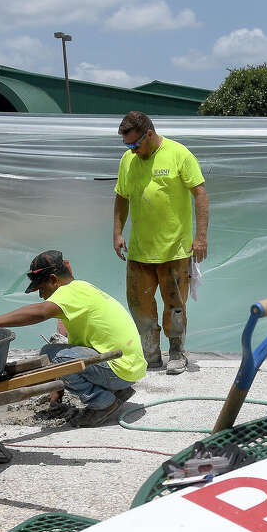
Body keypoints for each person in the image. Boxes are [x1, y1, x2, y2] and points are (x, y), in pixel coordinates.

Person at [0, 250, 146, 427]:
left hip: (120, 370)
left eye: (41, 288)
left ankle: (103, 403)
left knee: (50, 354)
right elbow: (73, 354)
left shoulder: (69, 293)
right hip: (129, 367)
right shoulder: (83, 289)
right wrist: (56, 398)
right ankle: (116, 391)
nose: (41, 296)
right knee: (58, 352)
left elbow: (40, 312)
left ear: (53, 280)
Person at [112, 111, 208, 376]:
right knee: (139, 307)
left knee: (175, 306)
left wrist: (201, 237)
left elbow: (200, 193)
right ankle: (150, 356)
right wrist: (117, 233)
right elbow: (121, 197)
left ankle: (177, 353)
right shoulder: (128, 160)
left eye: (135, 144)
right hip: (139, 251)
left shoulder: (178, 154)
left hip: (173, 250)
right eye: (127, 146)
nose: (131, 150)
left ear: (149, 134)